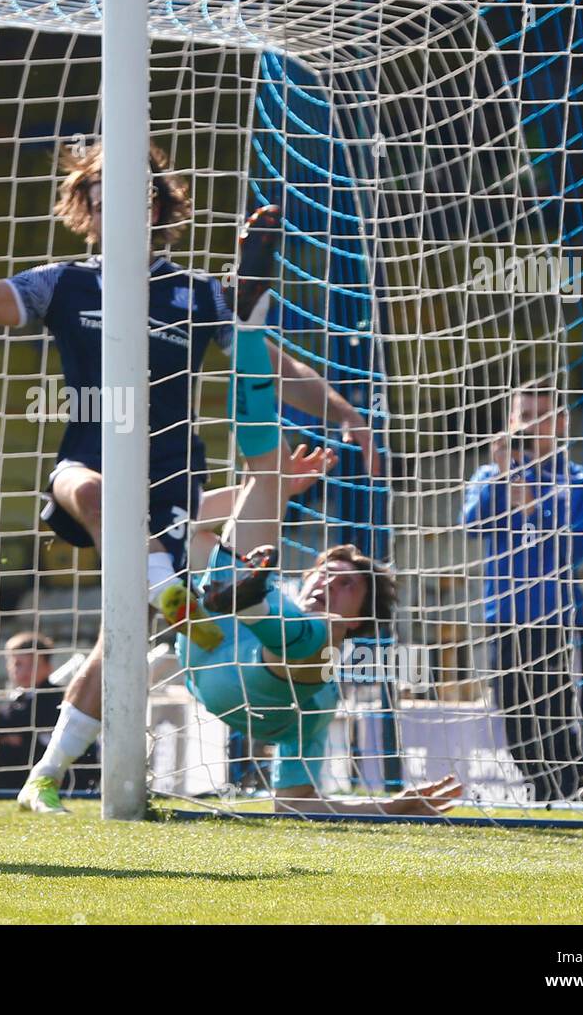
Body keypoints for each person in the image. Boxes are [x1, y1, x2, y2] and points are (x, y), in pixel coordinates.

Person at [0, 143, 380, 813]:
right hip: (85, 463)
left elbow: (270, 365)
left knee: (120, 636)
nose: (118, 209)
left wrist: (345, 413)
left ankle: (45, 773)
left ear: (158, 208)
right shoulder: (63, 283)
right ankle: (170, 595)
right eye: (101, 198)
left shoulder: (196, 292)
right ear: (85, 209)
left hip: (172, 484)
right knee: (100, 498)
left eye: (135, 197)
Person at [159, 323, 460, 815]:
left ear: (361, 621)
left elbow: (296, 806)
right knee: (254, 481)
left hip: (226, 628)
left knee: (305, 637)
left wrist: (394, 807)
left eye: (345, 586)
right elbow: (181, 528)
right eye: (324, 573)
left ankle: (250, 331)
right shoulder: (283, 597)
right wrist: (269, 490)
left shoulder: (319, 702)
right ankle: (249, 328)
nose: (327, 582)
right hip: (208, 626)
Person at [461, 380, 583, 803]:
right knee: (513, 709)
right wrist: (506, 474)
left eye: (540, 418)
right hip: (502, 612)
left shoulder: (582, 481)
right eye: (524, 418)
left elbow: (572, 549)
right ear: (509, 421)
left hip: (553, 612)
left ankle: (574, 788)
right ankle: (541, 789)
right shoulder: (490, 476)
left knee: (555, 709)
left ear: (560, 423)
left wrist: (524, 496)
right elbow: (470, 523)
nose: (531, 427)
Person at [0, 632, 99, 793]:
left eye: (32, 665)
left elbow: (11, 720)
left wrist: (8, 735)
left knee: (7, 747)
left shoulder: (56, 699)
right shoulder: (18, 698)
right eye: (18, 664)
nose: (24, 671)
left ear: (48, 667)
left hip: (69, 781)